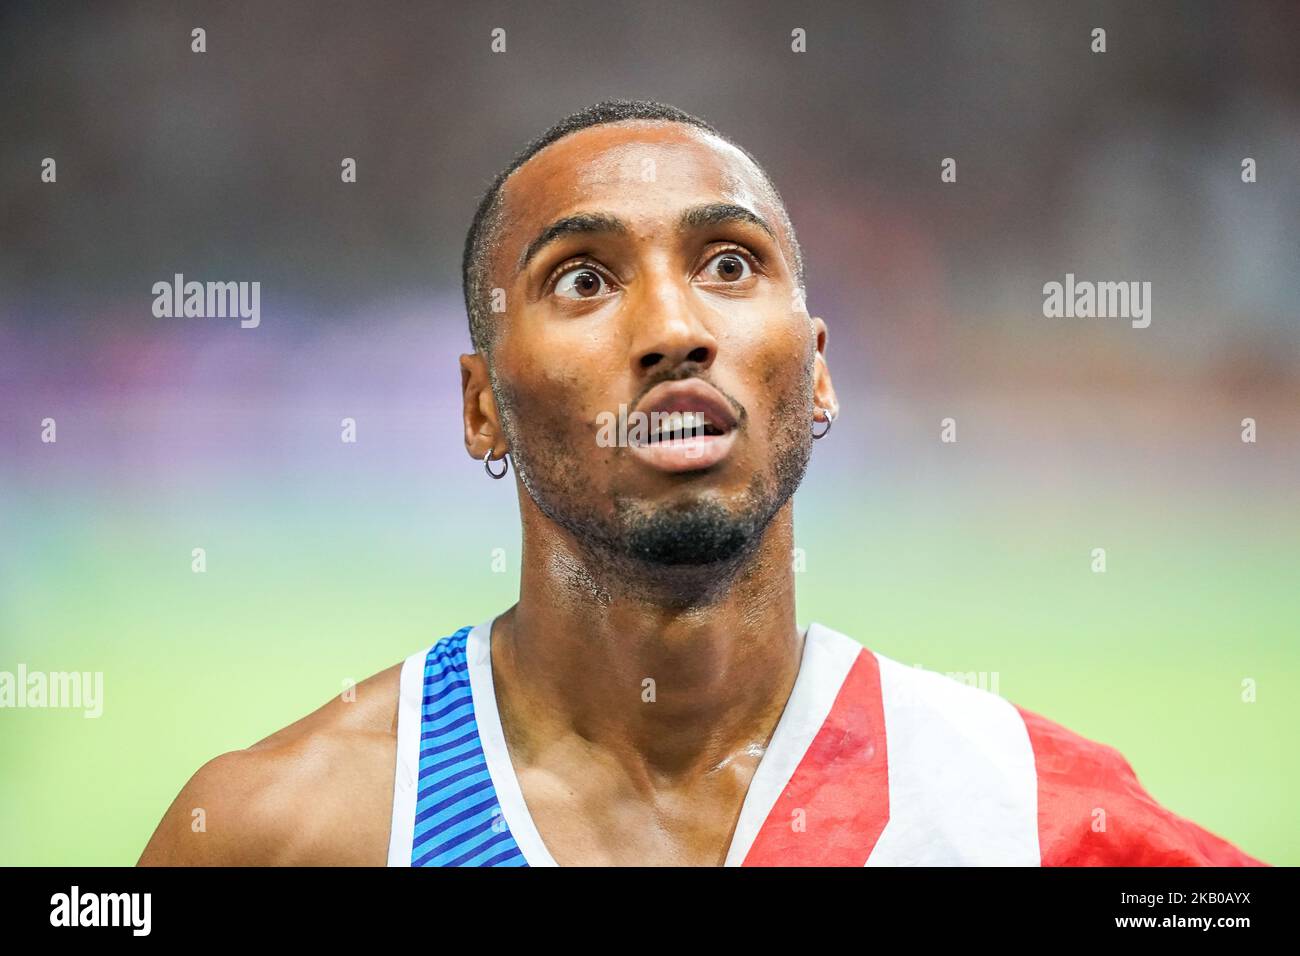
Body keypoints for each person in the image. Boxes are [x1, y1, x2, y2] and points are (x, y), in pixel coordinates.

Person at [139, 100, 1265, 867]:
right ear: (481, 404)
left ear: (817, 371)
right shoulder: (277, 833)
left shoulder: (1033, 818)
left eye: (728, 263)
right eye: (582, 277)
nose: (674, 326)